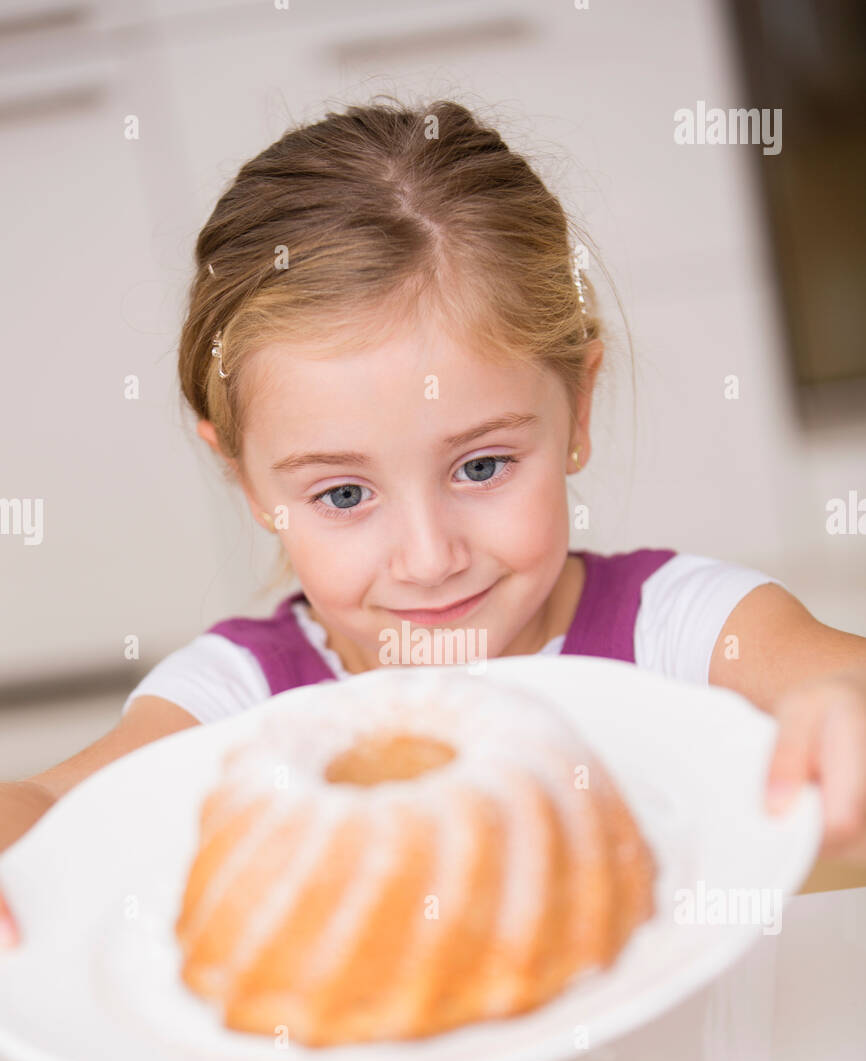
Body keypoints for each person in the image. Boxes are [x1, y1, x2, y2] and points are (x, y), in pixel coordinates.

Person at [1, 97, 865, 946]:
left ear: (579, 406)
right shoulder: (235, 698)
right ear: (244, 480)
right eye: (344, 495)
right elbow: (48, 807)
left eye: (481, 467)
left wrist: (840, 713)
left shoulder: (683, 631)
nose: (428, 558)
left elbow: (839, 689)